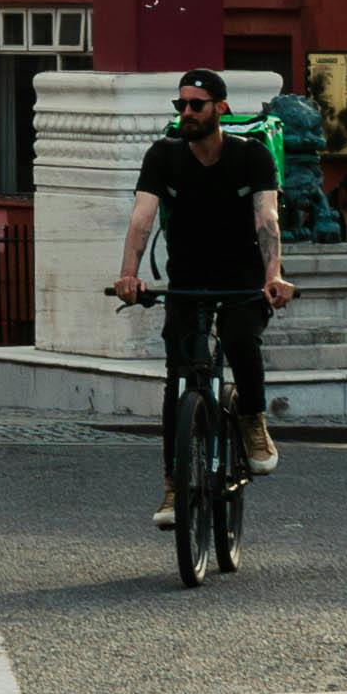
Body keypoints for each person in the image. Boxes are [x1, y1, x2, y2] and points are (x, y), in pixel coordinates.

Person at [109, 72, 294, 527]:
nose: (187, 113)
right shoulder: (163, 156)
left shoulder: (250, 157)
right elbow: (141, 218)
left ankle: (251, 420)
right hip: (188, 277)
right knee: (179, 377)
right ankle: (174, 486)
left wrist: (274, 275)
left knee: (239, 339)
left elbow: (266, 218)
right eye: (182, 105)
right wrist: (129, 275)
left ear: (221, 108)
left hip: (240, 277)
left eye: (197, 104)